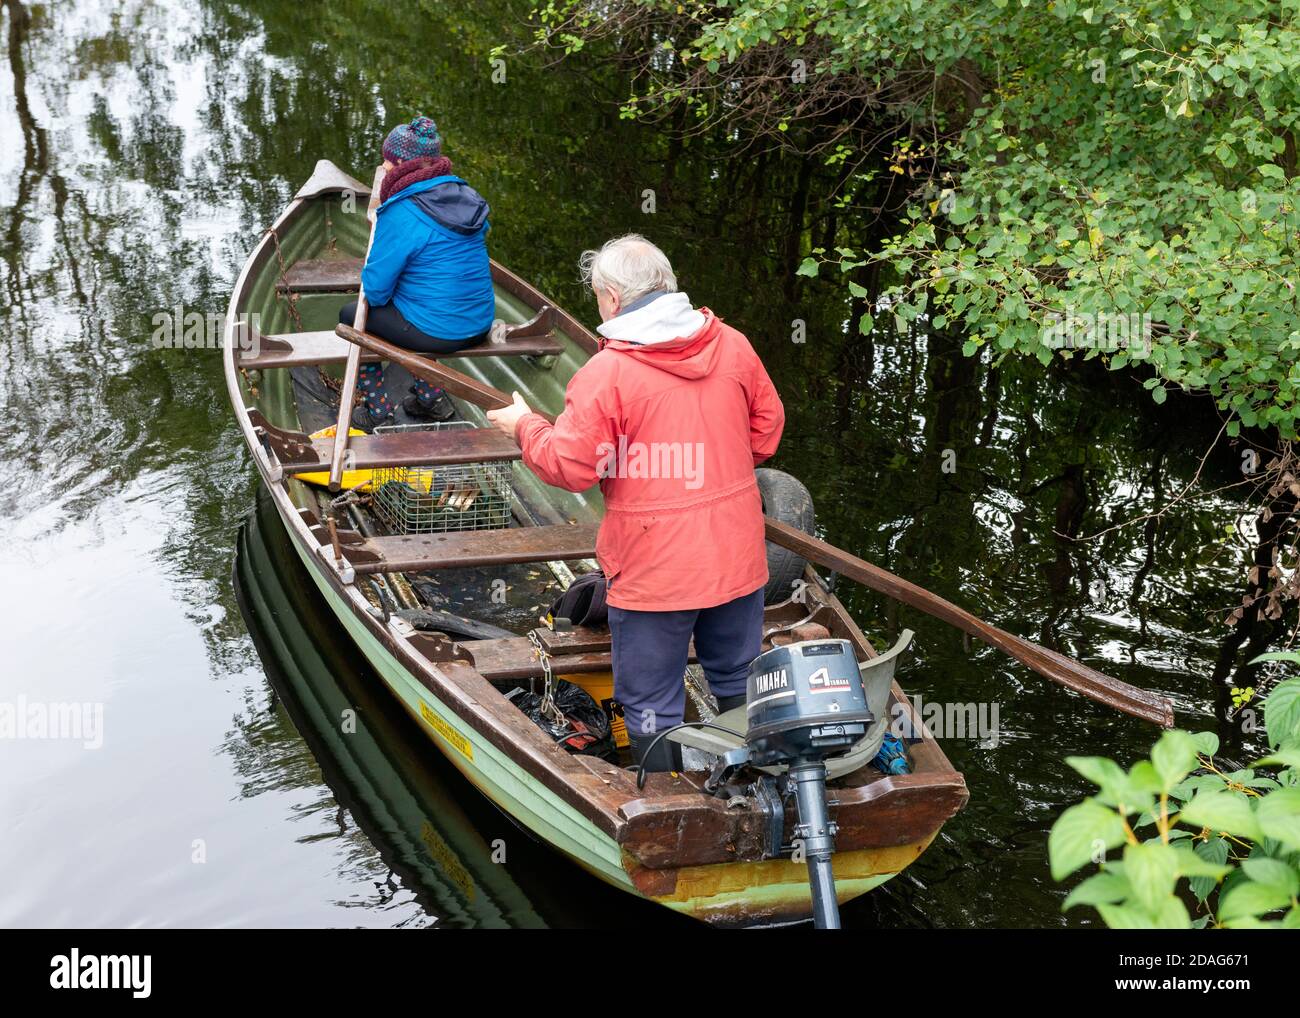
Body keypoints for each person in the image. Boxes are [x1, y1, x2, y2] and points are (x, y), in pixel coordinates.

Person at [486, 235, 785, 771]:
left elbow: (570, 468)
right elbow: (765, 435)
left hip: (655, 574)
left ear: (612, 298)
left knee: (650, 702)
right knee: (739, 678)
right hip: (737, 558)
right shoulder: (734, 345)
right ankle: (762, 779)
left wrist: (525, 425)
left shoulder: (607, 375)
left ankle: (666, 812)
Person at [340, 115, 496, 430]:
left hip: (439, 331)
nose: (382, 168)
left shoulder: (401, 211)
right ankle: (432, 401)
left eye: (386, 162)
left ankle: (378, 411)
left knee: (351, 314)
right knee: (419, 309)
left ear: (401, 166)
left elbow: (376, 291)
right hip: (481, 323)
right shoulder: (466, 196)